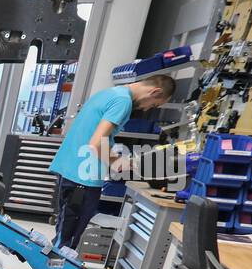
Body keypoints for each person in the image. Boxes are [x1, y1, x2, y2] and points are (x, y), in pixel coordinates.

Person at [49, 75, 174, 252]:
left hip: (71, 170)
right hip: (82, 179)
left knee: (65, 232)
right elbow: (97, 143)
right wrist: (116, 161)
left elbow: (96, 136)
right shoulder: (123, 101)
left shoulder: (110, 93)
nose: (147, 109)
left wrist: (120, 159)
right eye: (153, 105)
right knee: (66, 242)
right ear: (155, 92)